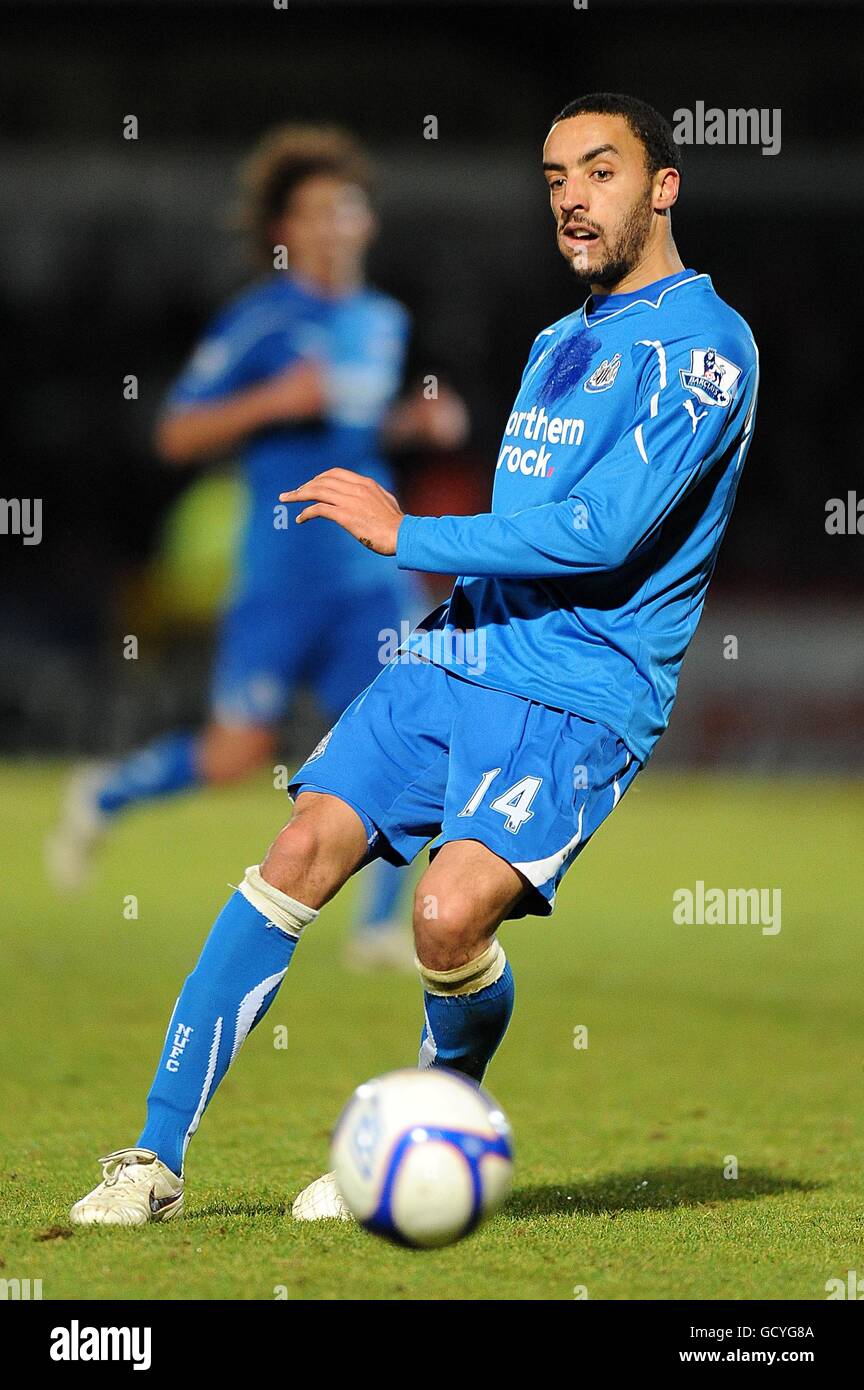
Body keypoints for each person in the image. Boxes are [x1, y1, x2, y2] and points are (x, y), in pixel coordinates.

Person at [69, 93, 758, 1227]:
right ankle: (150, 1159)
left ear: (664, 185)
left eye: (601, 172)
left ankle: (442, 1108)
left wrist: (408, 534)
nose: (574, 199)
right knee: (297, 846)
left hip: (581, 692)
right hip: (462, 651)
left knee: (444, 918)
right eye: (556, 180)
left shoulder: (708, 349)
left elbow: (604, 532)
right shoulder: (558, 337)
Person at [46, 124, 467, 971]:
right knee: (235, 755)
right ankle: (104, 792)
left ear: (365, 223)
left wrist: (412, 424)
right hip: (280, 574)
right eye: (312, 213)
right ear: (283, 233)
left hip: (366, 572)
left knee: (414, 726)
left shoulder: (383, 321)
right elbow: (176, 432)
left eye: (344, 209)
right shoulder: (257, 320)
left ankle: (383, 926)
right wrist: (273, 399)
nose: (332, 226)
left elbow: (348, 426)